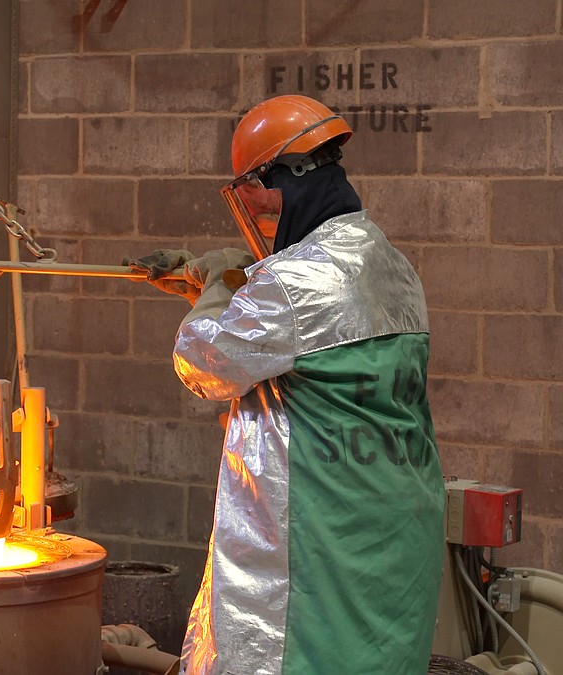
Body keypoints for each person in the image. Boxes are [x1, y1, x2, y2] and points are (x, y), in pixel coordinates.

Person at [128, 94, 444, 674]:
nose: (264, 226)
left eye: (262, 209)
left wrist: (222, 288)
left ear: (281, 183)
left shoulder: (295, 283)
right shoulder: (394, 268)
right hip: (392, 529)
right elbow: (311, 345)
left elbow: (204, 362)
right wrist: (237, 283)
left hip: (319, 540)